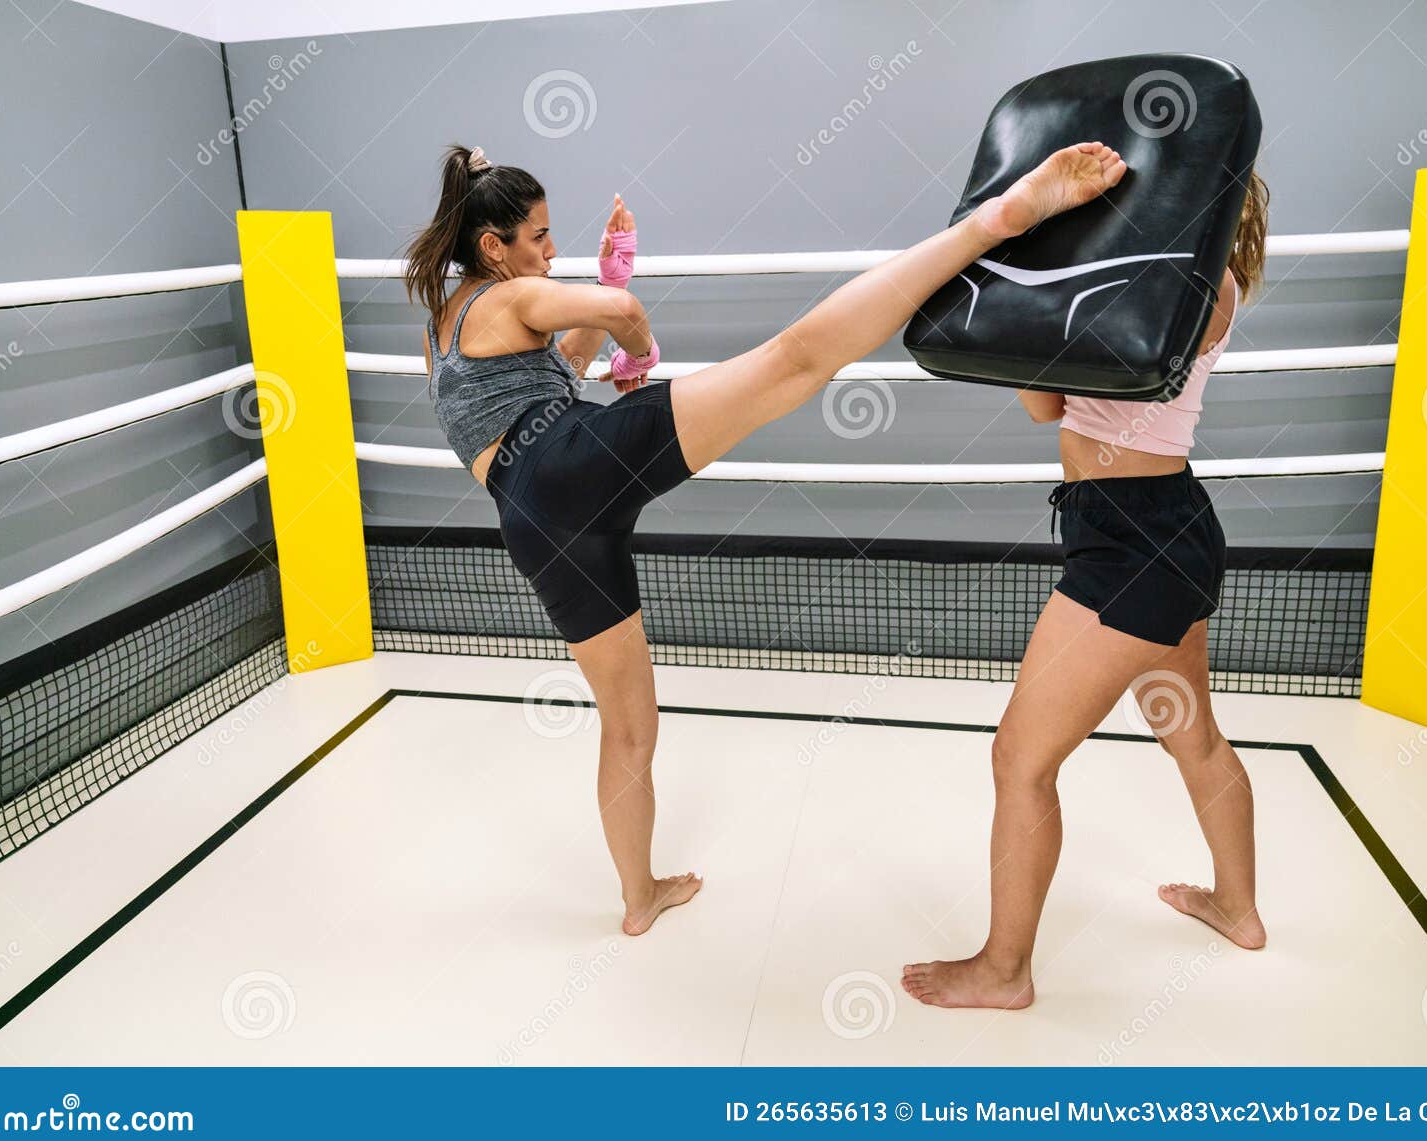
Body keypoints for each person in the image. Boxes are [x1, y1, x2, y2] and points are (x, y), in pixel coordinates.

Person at [406, 140, 1128, 935]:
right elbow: (614, 324)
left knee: (628, 726)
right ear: (492, 247)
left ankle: (638, 898)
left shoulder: (448, 325)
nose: (552, 251)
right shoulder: (504, 300)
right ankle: (993, 225)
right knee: (793, 362)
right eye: (539, 238)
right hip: (569, 462)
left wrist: (612, 283)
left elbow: (552, 366)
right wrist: (638, 346)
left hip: (535, 519)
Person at [903, 171, 1273, 1009]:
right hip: (1130, 532)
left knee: (1020, 760)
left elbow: (1121, 356)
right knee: (1194, 735)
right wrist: (1032, 262)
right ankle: (1239, 910)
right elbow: (1046, 405)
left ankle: (1004, 970)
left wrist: (1061, 269)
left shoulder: (1203, 284)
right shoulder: (1129, 276)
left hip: (1138, 547)